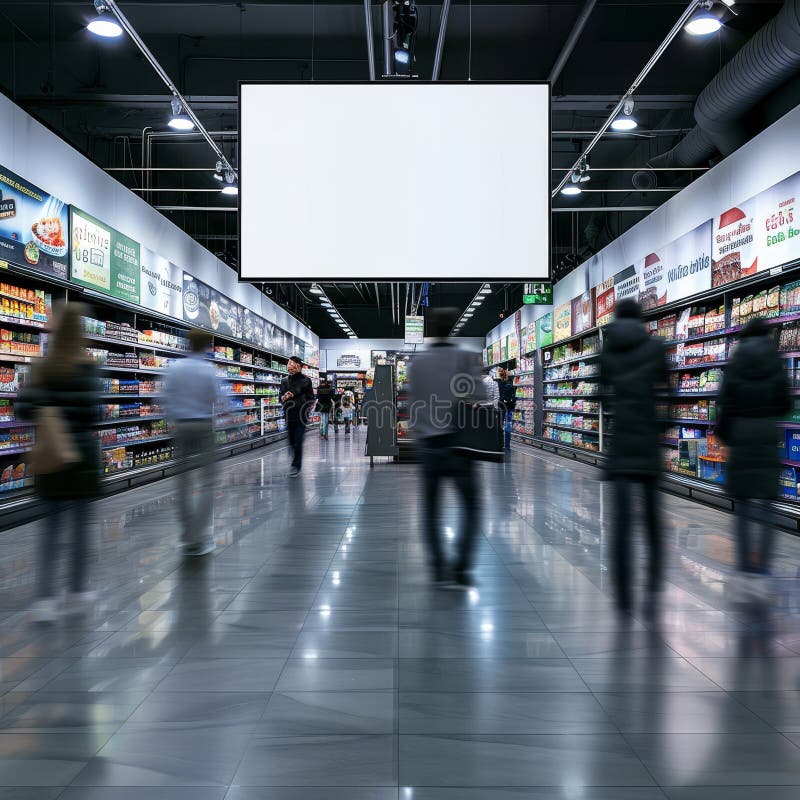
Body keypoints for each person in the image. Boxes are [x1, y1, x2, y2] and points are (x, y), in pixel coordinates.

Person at [16, 302, 101, 622]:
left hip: (50, 457)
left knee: (50, 531)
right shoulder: (87, 367)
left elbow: (22, 410)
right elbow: (95, 413)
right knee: (80, 529)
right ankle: (77, 592)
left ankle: (44, 600)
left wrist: (46, 411)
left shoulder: (42, 366)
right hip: (80, 459)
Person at [408, 308, 486, 588]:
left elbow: (413, 404)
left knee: (430, 508)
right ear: (454, 327)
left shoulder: (417, 363)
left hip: (429, 444)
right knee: (472, 505)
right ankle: (462, 565)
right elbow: (480, 396)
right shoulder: (465, 357)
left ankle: (438, 566)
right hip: (460, 444)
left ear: (428, 329)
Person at [599, 298, 668, 614]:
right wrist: (660, 425)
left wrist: (616, 412)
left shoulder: (609, 350)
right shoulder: (656, 348)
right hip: (648, 440)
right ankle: (654, 581)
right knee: (653, 516)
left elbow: (600, 396)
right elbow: (667, 392)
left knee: (622, 521)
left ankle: (623, 590)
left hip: (623, 441)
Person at [716, 318, 790, 576]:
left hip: (742, 435)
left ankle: (745, 564)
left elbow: (724, 405)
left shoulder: (735, 363)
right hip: (767, 436)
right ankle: (764, 565)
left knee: (744, 503)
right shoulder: (775, 362)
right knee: (768, 502)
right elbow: (785, 404)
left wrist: (725, 435)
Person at [163, 327, 225, 557]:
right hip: (203, 426)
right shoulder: (208, 370)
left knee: (183, 482)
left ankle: (187, 532)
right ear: (207, 346)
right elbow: (218, 398)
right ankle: (198, 536)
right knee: (208, 481)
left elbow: (165, 398)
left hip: (181, 426)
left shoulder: (175, 368)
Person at [280, 356, 316, 476]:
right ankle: (296, 457)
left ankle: (296, 465)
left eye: (293, 364)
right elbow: (280, 396)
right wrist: (283, 398)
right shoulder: (284, 381)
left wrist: (306, 407)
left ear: (299, 366)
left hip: (301, 415)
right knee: (291, 440)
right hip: (289, 414)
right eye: (289, 363)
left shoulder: (306, 380)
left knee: (298, 439)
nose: (290, 366)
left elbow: (311, 397)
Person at [497, 367, 517, 450]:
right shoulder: (511, 382)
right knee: (508, 425)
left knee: (500, 425)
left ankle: (500, 443)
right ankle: (507, 445)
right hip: (509, 407)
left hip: (501, 406)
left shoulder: (498, 384)